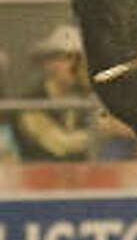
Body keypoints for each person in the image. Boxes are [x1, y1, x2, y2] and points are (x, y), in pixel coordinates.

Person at [14, 26, 93, 161]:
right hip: (39, 177)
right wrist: (100, 133)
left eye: (80, 60)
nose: (76, 67)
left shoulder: (89, 96)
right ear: (49, 63)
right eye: (67, 58)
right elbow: (59, 145)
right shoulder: (30, 103)